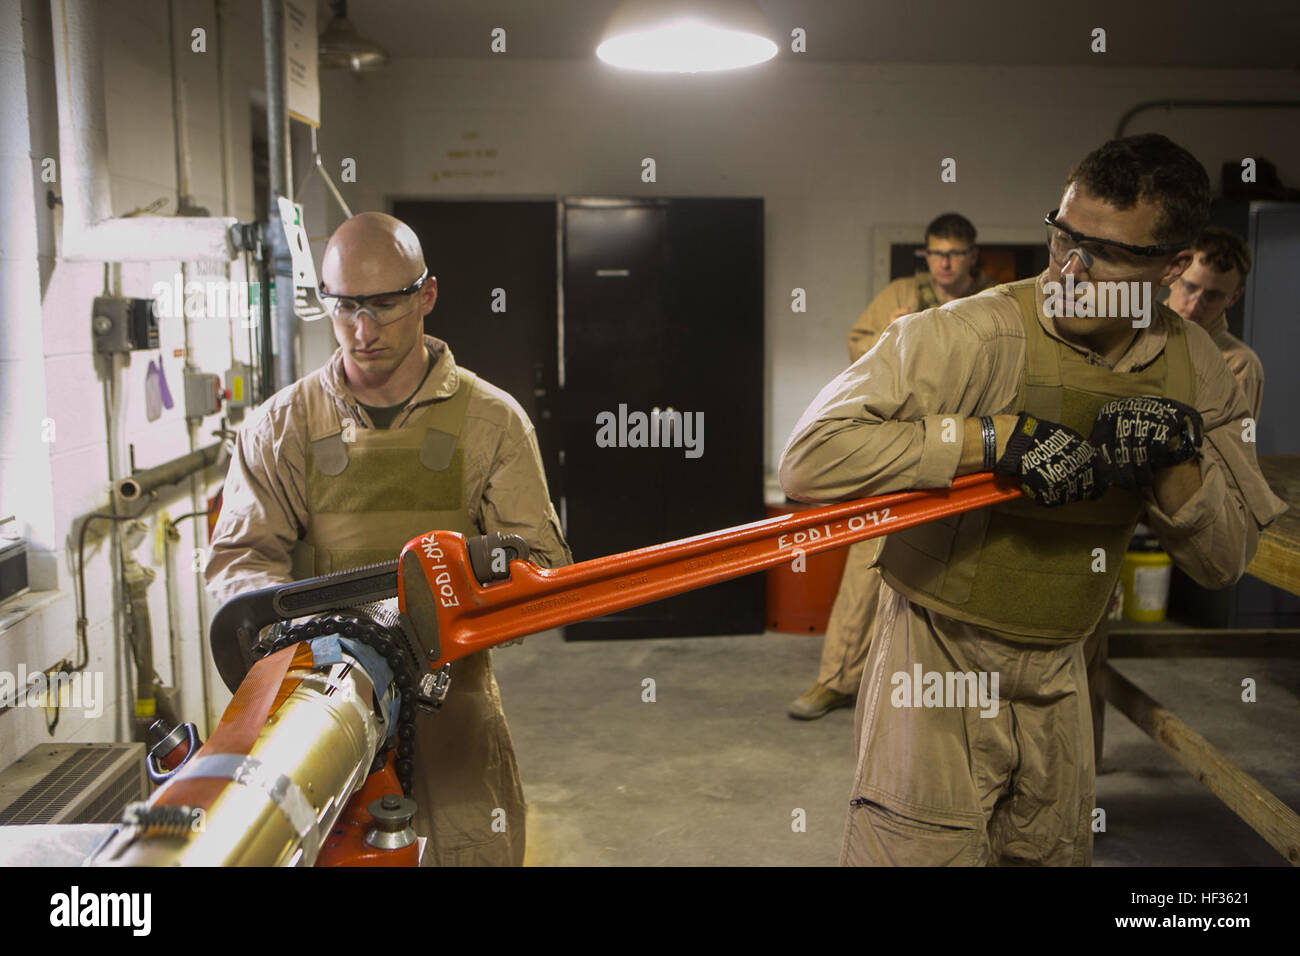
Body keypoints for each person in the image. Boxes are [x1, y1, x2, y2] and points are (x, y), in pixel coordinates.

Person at [779, 134, 1286, 865]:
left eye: (1104, 254)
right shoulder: (973, 334)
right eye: (1062, 236)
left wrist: (1176, 468)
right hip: (938, 658)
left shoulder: (1200, 372)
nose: (1069, 270)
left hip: (1063, 665)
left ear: (1172, 266)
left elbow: (1224, 563)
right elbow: (810, 460)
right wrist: (989, 439)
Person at [205, 211, 572, 866]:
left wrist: (454, 606)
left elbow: (542, 572)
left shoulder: (491, 422)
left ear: (426, 294)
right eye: (344, 305)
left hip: (452, 716)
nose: (362, 330)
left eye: (383, 304)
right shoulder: (279, 428)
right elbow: (241, 565)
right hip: (318, 710)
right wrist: (313, 647)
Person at [789, 214, 995, 720]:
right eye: (935, 254)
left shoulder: (996, 300)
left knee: (968, 566)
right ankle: (838, 680)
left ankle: (950, 697)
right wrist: (891, 334)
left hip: (971, 452)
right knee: (865, 563)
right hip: (903, 447)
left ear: (972, 256)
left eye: (954, 253)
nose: (944, 264)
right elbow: (859, 349)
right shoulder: (902, 291)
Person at [1166, 226, 1263, 420]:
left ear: (1233, 298)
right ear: (1173, 273)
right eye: (1190, 287)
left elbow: (1237, 444)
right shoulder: (1129, 331)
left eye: (1213, 296)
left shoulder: (1239, 364)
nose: (1195, 305)